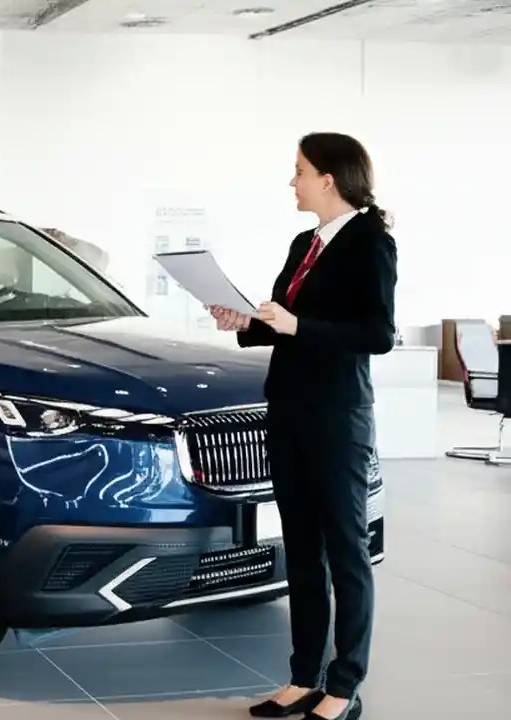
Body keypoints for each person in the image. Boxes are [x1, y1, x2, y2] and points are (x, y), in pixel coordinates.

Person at [209, 132, 397, 720]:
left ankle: (345, 686)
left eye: (298, 171)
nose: (291, 182)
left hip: (337, 417)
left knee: (346, 552)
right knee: (302, 549)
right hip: (287, 409)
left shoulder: (370, 242)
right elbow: (286, 321)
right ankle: (302, 677)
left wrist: (294, 327)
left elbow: (377, 335)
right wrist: (243, 322)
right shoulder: (304, 242)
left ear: (329, 179)